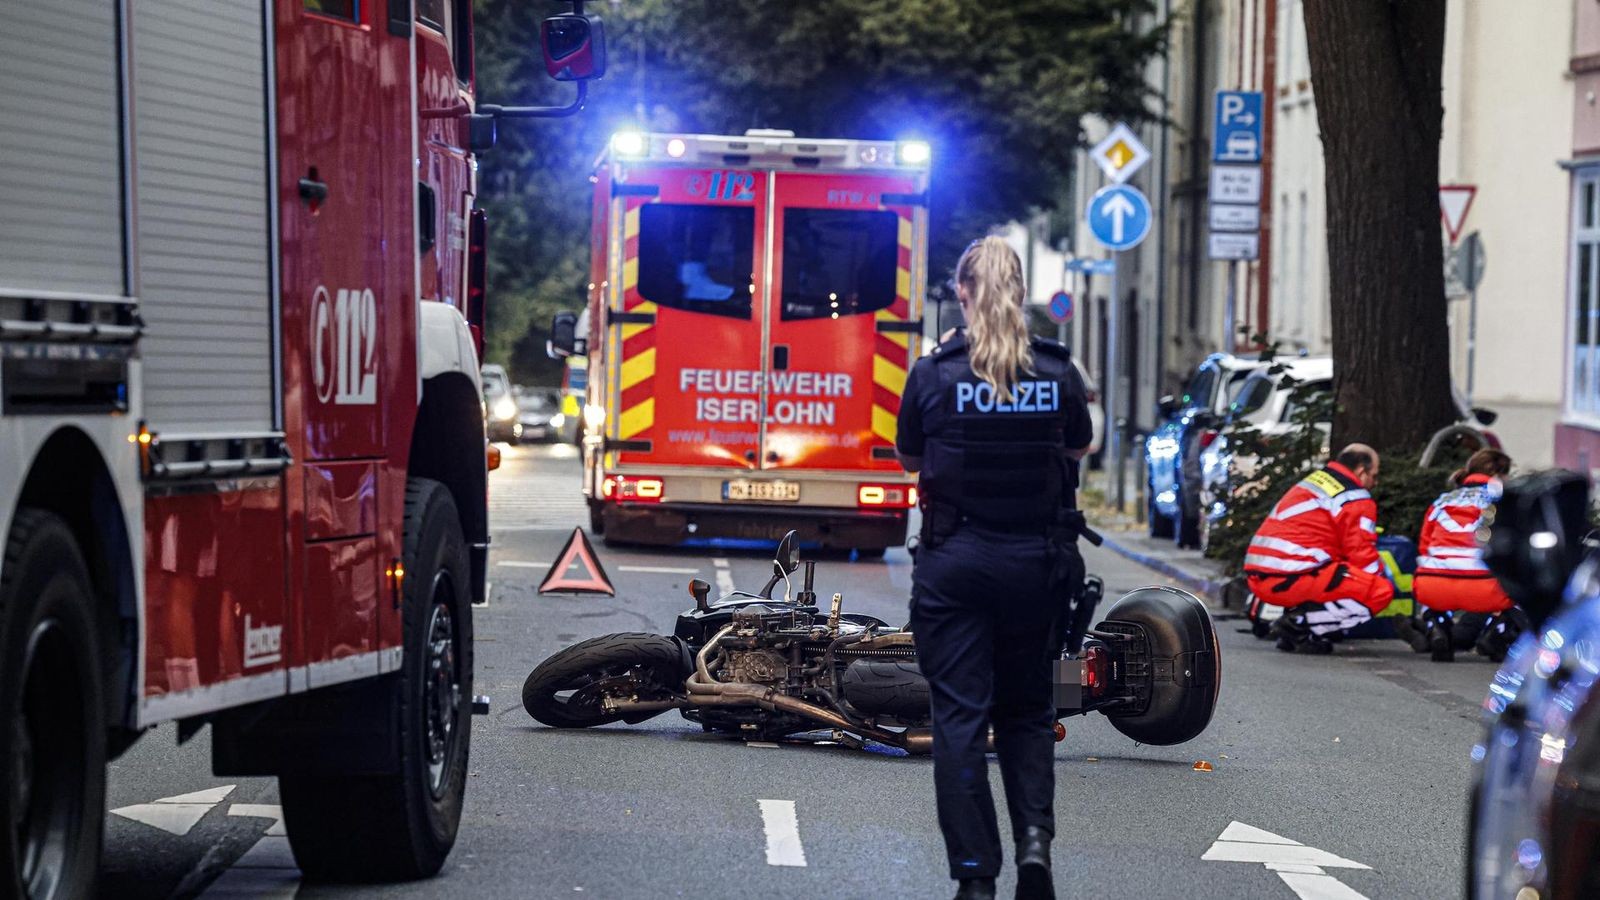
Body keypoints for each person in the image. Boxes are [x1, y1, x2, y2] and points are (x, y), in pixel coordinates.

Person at [896, 236, 1093, 900]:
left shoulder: (933, 374)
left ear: (962, 293)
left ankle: (976, 878)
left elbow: (911, 461)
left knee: (958, 717)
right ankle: (1034, 847)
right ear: (1022, 293)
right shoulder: (1058, 374)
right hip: (1035, 566)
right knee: (1028, 712)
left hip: (955, 564)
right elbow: (1077, 448)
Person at [1244, 444, 1396, 653]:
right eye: (1374, 476)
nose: (1374, 483)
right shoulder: (1355, 497)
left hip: (1261, 577)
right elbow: (1362, 555)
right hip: (1295, 575)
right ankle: (1300, 624)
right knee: (1380, 591)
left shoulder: (1314, 482)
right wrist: (1383, 581)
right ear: (1361, 471)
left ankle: (1300, 633)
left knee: (1337, 575)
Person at [1395, 449, 1527, 662]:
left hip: (1433, 585)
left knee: (1434, 579)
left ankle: (1438, 627)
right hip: (1483, 587)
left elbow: (1424, 546)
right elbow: (1515, 547)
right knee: (1527, 588)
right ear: (1499, 474)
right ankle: (1500, 634)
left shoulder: (1442, 501)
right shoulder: (1504, 499)